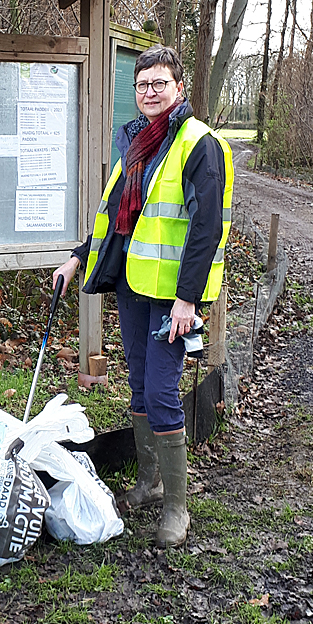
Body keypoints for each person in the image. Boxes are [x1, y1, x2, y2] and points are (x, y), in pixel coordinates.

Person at [53, 44, 233, 548]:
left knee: (159, 391)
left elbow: (207, 229)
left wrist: (188, 301)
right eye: (142, 85)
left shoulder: (200, 144)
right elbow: (115, 218)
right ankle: (150, 482)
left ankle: (178, 507)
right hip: (134, 286)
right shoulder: (135, 143)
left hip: (174, 297)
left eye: (159, 83)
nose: (149, 92)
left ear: (179, 88)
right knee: (138, 386)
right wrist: (76, 256)